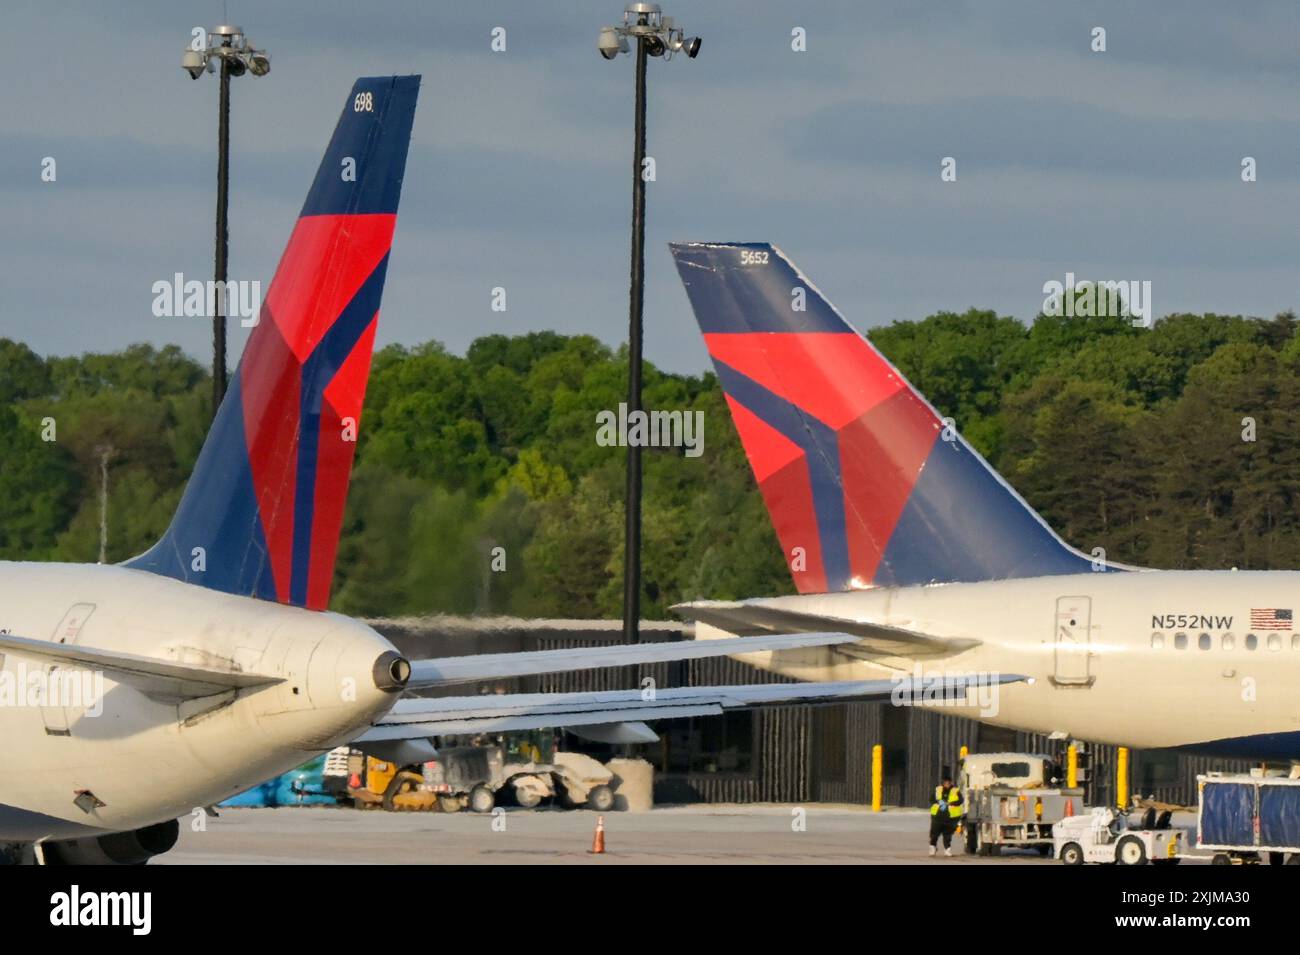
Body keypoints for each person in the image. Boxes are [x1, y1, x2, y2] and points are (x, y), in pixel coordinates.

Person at [929, 773, 963, 857]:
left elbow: (960, 801)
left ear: (951, 783)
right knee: (934, 834)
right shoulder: (938, 789)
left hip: (950, 817)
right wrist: (939, 802)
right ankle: (933, 847)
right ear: (942, 783)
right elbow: (931, 799)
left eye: (948, 783)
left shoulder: (956, 790)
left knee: (947, 835)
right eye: (945, 783)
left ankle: (947, 849)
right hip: (937, 816)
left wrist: (950, 803)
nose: (946, 784)